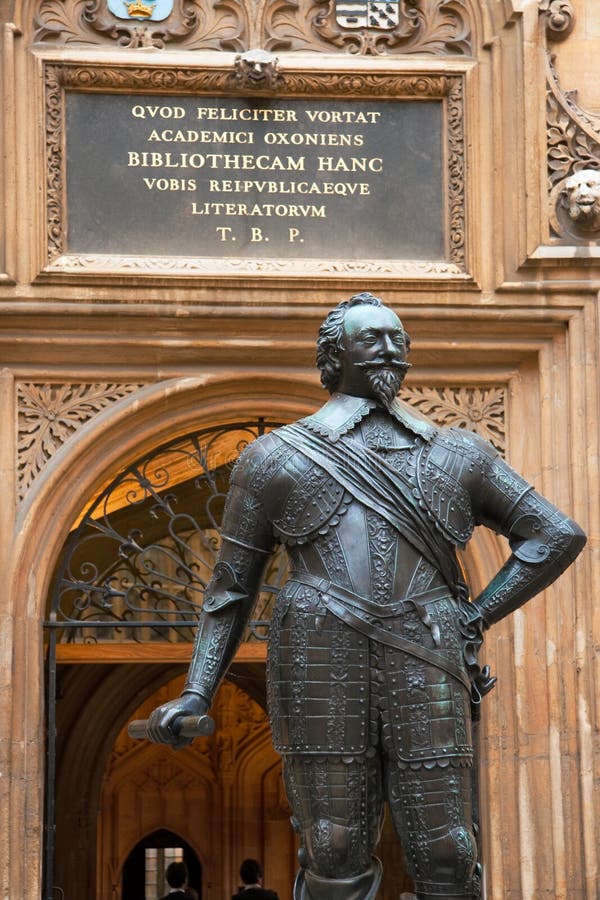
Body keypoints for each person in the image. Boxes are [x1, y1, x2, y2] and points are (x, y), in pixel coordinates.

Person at [145, 293, 586, 900]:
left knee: (449, 849)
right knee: (332, 844)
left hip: (426, 651)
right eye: (372, 338)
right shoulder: (276, 457)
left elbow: (556, 533)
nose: (390, 349)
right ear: (333, 355)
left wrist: (474, 616)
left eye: (397, 338)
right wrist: (197, 689)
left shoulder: (456, 452)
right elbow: (230, 590)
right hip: (319, 655)